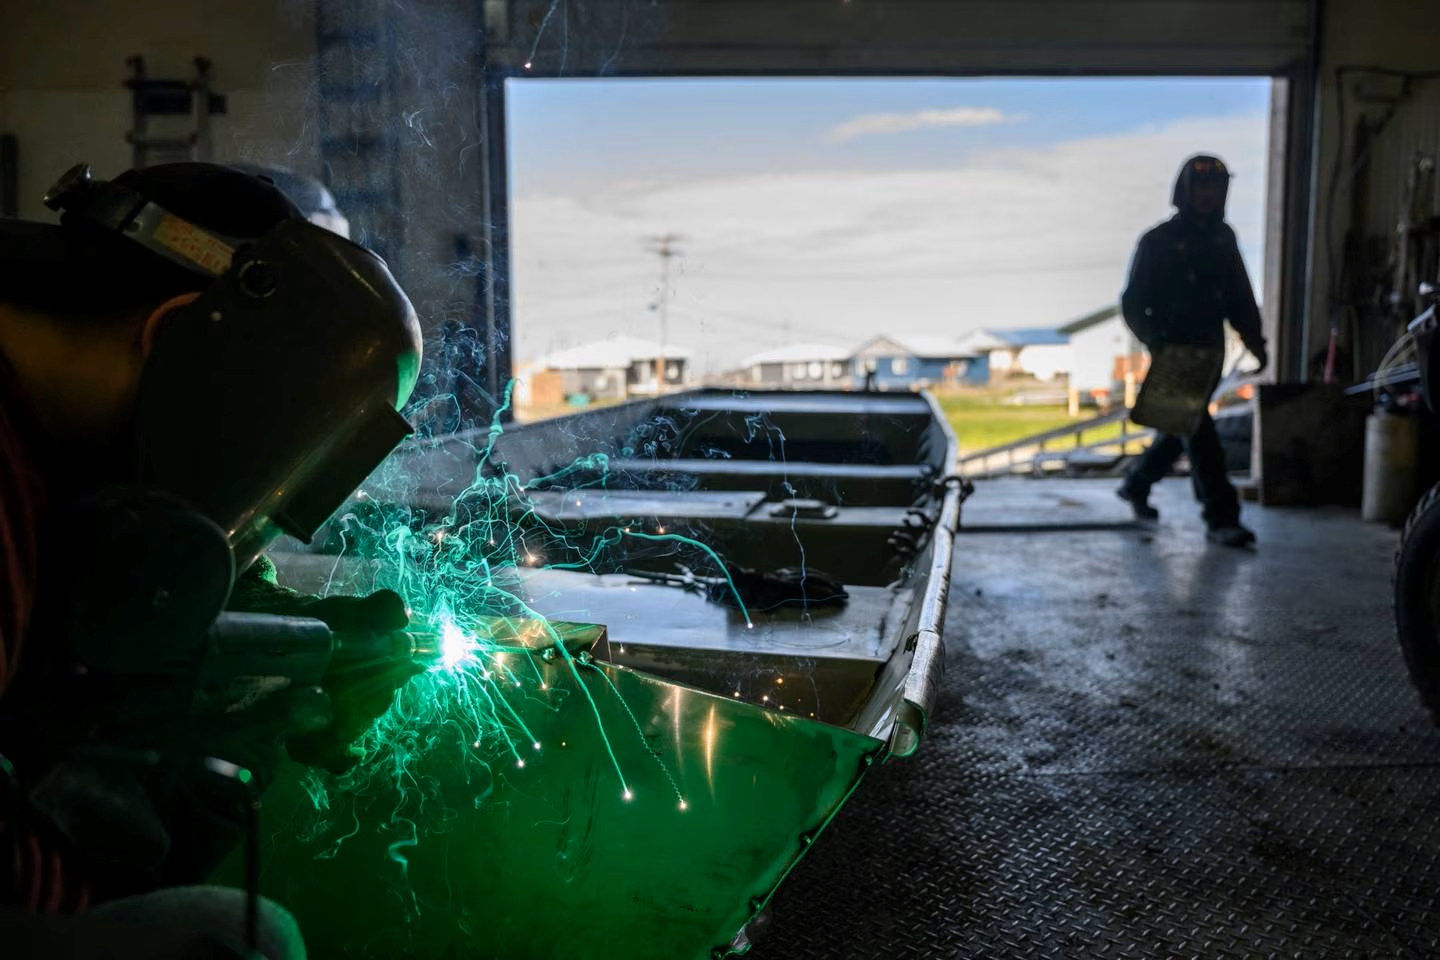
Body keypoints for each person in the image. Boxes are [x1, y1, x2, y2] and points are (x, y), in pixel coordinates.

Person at [0, 162, 425, 956]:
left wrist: (239, 656)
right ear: (172, 337)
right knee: (232, 941)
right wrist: (170, 771)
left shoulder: (54, 445)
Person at [1116, 154, 1268, 548]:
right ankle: (1222, 517)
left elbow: (1240, 298)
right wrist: (1156, 341)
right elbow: (1133, 303)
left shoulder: (1223, 238)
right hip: (1174, 354)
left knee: (1180, 426)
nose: (1207, 195)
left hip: (1209, 352)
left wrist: (1256, 342)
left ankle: (1136, 484)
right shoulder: (1158, 241)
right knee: (1200, 433)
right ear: (1185, 190)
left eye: (1215, 188)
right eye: (1200, 187)